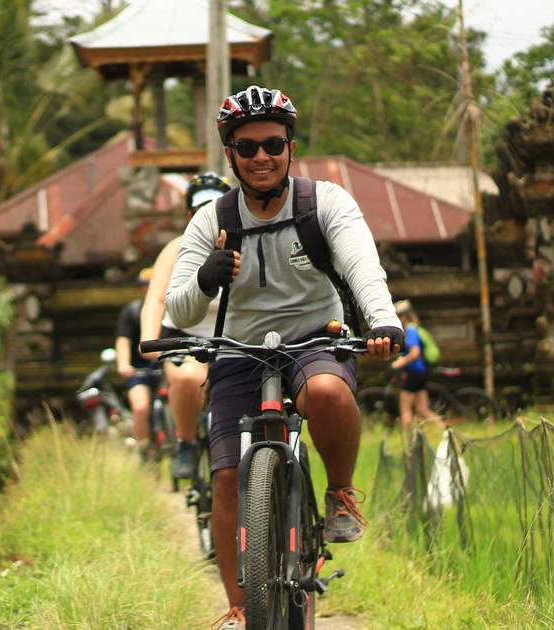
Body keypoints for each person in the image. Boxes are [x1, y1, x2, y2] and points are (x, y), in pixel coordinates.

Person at [165, 85, 404, 627]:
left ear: (291, 147)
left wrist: (384, 321)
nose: (261, 158)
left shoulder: (326, 203)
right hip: (239, 351)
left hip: (316, 337)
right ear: (231, 156)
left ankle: (340, 493)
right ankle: (238, 608)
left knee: (324, 391)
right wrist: (205, 279)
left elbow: (364, 268)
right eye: (246, 148)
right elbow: (178, 309)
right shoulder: (211, 220)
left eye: (273, 144)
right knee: (226, 478)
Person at [141, 172, 232, 480]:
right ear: (190, 213)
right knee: (188, 379)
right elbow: (156, 300)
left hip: (234, 335)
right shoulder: (176, 248)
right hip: (185, 336)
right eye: (199, 210)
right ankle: (186, 441)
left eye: (214, 207)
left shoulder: (246, 240)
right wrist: (148, 340)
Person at [116, 268, 156, 455]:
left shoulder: (172, 309)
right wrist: (123, 364)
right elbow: (123, 340)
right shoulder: (131, 312)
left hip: (166, 365)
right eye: (144, 285)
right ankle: (144, 451)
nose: (147, 289)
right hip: (140, 369)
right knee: (140, 407)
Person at [389, 300, 443, 435]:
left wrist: (399, 363)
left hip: (414, 372)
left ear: (403, 317)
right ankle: (446, 430)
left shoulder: (411, 329)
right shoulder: (415, 328)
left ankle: (408, 443)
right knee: (422, 410)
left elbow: (415, 352)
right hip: (421, 372)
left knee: (405, 409)